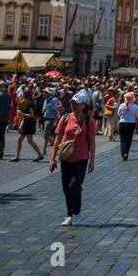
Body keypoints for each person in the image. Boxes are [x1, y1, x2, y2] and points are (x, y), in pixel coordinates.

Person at [49, 90, 96, 226]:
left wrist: (92, 160)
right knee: (66, 187)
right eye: (72, 103)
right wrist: (52, 158)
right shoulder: (65, 119)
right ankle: (69, 214)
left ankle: (76, 214)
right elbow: (57, 140)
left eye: (77, 103)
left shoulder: (89, 121)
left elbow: (92, 142)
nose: (74, 105)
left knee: (74, 185)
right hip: (66, 157)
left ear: (84, 105)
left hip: (81, 157)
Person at [13, 85, 44, 162]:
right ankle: (17, 157)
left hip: (29, 123)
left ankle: (40, 155)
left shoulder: (29, 103)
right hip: (27, 123)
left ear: (25, 94)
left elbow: (32, 115)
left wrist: (21, 114)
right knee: (20, 140)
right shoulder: (29, 102)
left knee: (29, 141)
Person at [117, 90, 138, 160]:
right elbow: (137, 116)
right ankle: (127, 152)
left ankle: (124, 153)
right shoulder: (135, 106)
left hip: (123, 123)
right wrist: (137, 127)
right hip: (132, 123)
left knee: (123, 139)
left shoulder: (122, 105)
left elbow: (118, 114)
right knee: (129, 139)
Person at [0, 81, 11, 159]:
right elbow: (10, 107)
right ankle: (1, 151)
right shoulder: (8, 96)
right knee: (1, 135)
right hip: (5, 118)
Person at [41, 87, 61, 155]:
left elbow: (55, 111)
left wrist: (55, 121)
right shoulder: (46, 100)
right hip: (45, 118)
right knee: (47, 134)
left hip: (50, 119)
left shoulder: (52, 100)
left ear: (49, 94)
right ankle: (54, 144)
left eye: (45, 92)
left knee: (45, 134)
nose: (43, 93)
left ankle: (44, 149)